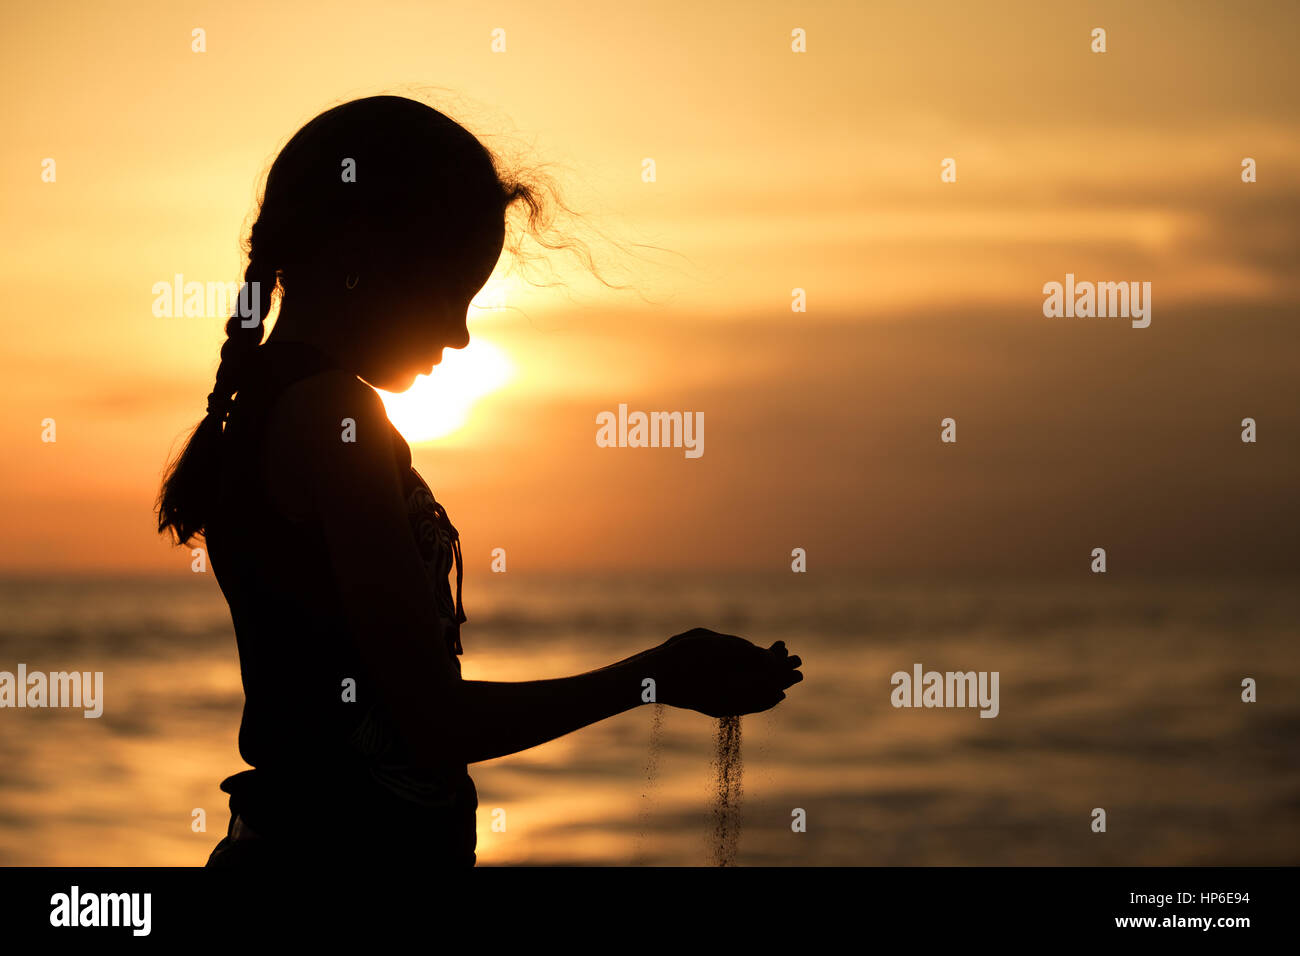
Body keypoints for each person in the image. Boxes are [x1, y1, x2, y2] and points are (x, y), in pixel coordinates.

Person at [155, 95, 803, 869]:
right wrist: (655, 675)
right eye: (451, 294)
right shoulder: (334, 417)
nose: (461, 335)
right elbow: (431, 722)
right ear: (364, 259)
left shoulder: (273, 408)